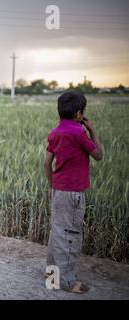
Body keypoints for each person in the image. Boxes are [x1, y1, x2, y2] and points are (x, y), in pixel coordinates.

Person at [44, 90, 103, 294]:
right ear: (79, 113)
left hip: (58, 189)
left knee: (57, 231)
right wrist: (92, 129)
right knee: (69, 234)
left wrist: (53, 185)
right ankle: (67, 281)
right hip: (73, 193)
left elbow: (46, 163)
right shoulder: (78, 133)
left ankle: (51, 273)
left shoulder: (55, 132)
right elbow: (98, 155)